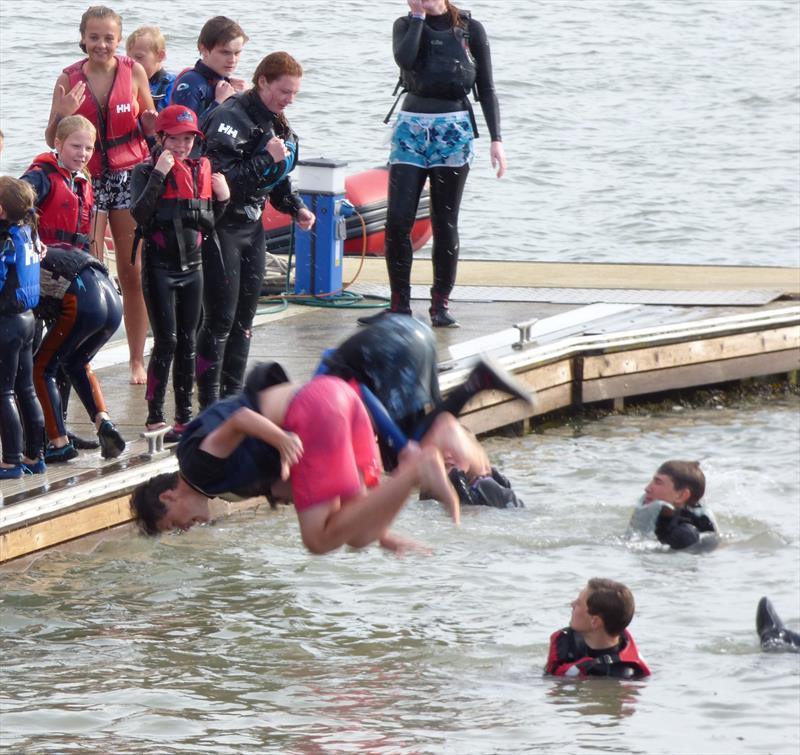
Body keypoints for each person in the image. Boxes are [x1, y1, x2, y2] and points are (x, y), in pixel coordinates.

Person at [130, 363, 458, 555]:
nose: (185, 529)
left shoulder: (196, 467)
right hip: (339, 399)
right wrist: (386, 538)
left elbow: (240, 419)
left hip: (314, 410)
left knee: (316, 540)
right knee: (358, 535)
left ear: (168, 496)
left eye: (173, 522)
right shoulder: (224, 482)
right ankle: (414, 475)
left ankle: (416, 469)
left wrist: (281, 438)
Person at [359, 0, 506, 328]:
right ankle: (399, 305)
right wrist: (417, 17)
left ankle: (440, 304)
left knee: (445, 221)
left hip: (453, 130)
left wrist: (497, 139)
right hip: (411, 129)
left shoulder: (470, 29)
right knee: (398, 221)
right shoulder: (404, 24)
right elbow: (406, 59)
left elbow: (488, 88)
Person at [44, 5, 156, 385]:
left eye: (109, 37)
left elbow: (150, 124)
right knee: (88, 270)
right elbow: (51, 139)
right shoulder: (69, 78)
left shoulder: (134, 71)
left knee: (132, 272)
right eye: (94, 37)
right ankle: (82, 356)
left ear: (119, 39)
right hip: (86, 179)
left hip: (127, 177)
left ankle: (136, 359)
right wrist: (63, 113)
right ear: (83, 38)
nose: (102, 44)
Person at [196, 52, 315, 408]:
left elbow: (276, 178)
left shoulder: (276, 123)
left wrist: (296, 207)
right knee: (220, 320)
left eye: (294, 93)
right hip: (222, 226)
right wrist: (267, 158)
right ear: (262, 81)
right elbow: (219, 180)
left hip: (251, 226)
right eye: (283, 91)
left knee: (245, 321)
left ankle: (233, 397)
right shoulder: (230, 118)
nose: (288, 100)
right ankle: (208, 403)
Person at [320, 313, 530, 506]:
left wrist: (403, 447)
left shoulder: (321, 398)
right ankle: (475, 383)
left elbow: (358, 388)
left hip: (393, 347)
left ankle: (475, 383)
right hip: (416, 333)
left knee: (405, 459)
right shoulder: (320, 391)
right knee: (411, 449)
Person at [130, 104, 229, 442]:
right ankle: (155, 416)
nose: (182, 146)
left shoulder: (201, 169)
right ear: (160, 137)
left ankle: (185, 417)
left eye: (188, 139)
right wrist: (159, 173)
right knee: (167, 341)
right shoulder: (144, 172)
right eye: (175, 139)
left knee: (188, 341)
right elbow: (141, 214)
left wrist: (224, 200)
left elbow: (209, 224)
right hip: (160, 268)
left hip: (193, 268)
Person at [21, 115, 101, 454]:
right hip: (41, 277)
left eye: (88, 148)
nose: (82, 154)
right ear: (57, 143)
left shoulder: (82, 180)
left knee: (62, 353)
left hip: (68, 277)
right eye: (75, 146)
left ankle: (60, 428)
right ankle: (36, 434)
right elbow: (16, 209)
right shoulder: (40, 178)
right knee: (35, 357)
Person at [0, 177, 46, 478]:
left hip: (7, 324)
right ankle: (35, 456)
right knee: (26, 389)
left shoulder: (4, 238)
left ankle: (11, 461)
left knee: (3, 392)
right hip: (28, 319)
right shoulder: (28, 231)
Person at [545, 578, 651, 679]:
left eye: (578, 603)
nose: (572, 604)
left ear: (594, 621)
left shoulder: (623, 673)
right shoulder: (565, 640)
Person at [170, 16, 248, 127]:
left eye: (237, 53)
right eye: (225, 53)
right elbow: (183, 136)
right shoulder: (191, 83)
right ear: (204, 49)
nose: (232, 60)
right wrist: (219, 103)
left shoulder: (228, 85)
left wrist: (246, 99)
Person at [627, 460, 719, 550]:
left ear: (681, 495)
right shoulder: (652, 509)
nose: (647, 488)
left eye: (658, 482)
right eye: (652, 481)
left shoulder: (685, 534)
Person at [126, 26, 176, 112]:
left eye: (139, 57)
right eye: (129, 58)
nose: (133, 63)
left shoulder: (173, 86)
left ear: (161, 56)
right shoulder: (127, 81)